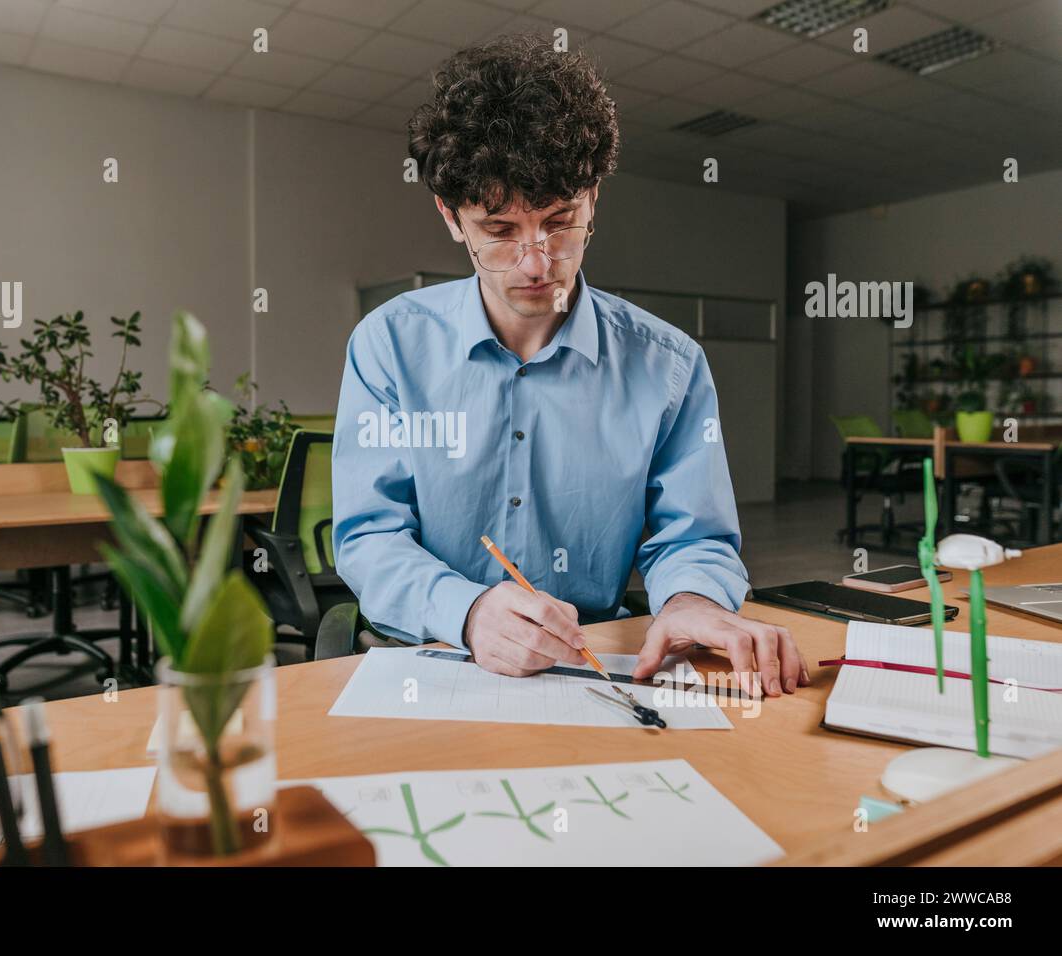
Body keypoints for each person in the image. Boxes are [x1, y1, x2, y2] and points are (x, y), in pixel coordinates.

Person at [332, 35, 808, 699]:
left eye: (560, 222)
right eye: (499, 230)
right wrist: (467, 611)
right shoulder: (388, 345)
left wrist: (692, 600)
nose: (535, 263)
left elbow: (692, 535)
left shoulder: (668, 365)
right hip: (434, 659)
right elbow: (371, 536)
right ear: (450, 217)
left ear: (593, 202)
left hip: (594, 666)